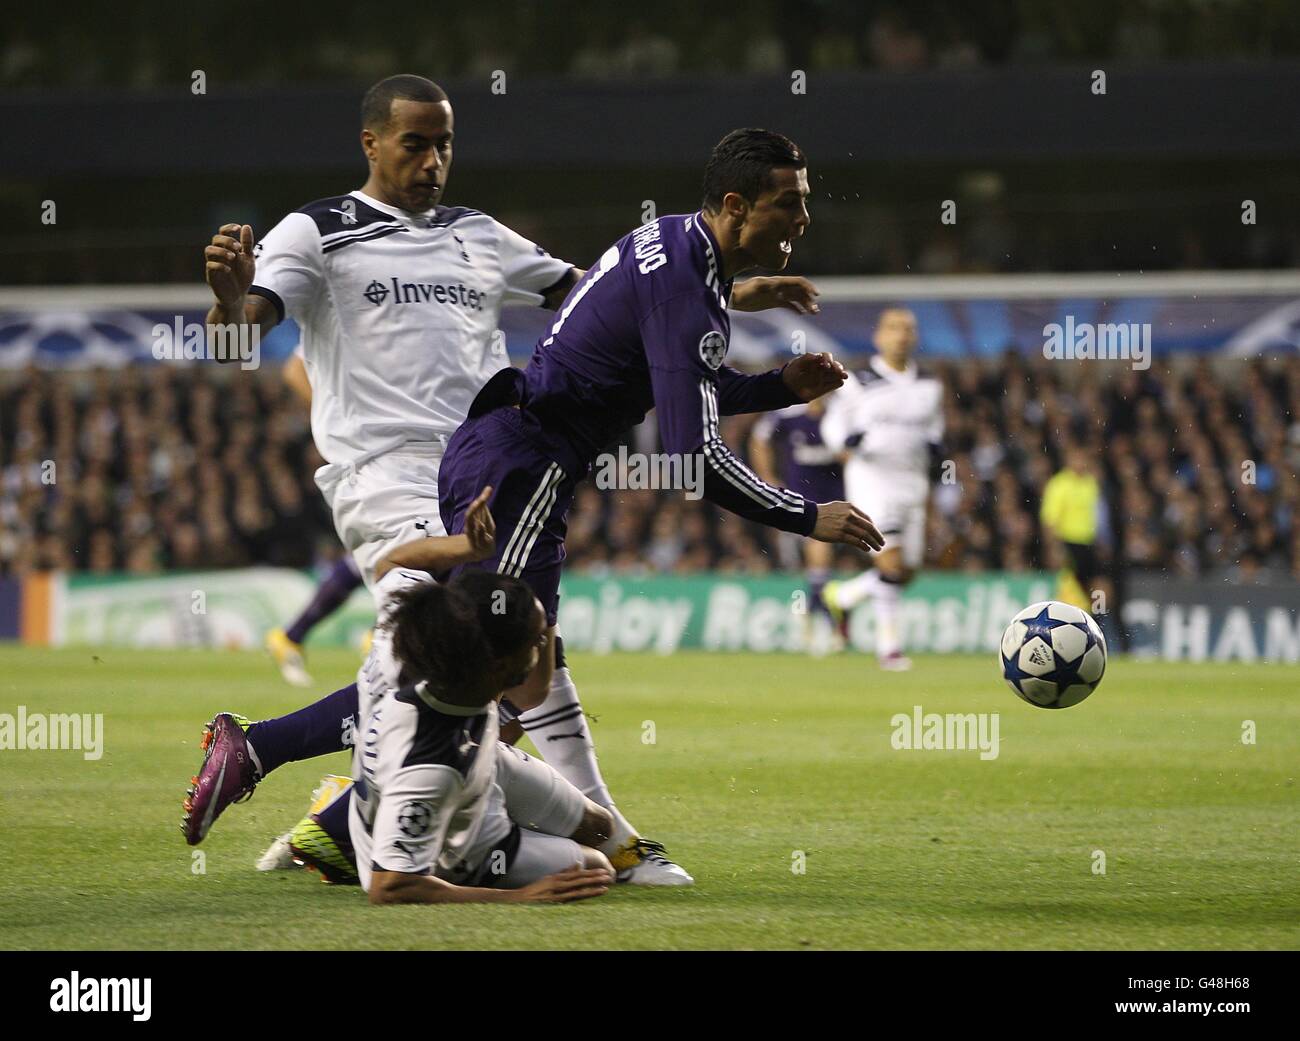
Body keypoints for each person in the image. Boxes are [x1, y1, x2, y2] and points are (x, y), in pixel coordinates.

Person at [198, 76, 822, 884]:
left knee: (495, 668)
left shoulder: (478, 233)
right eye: (415, 143)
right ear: (371, 144)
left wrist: (731, 288)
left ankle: (334, 821)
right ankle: (611, 844)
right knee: (475, 656)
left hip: (485, 467)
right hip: (384, 474)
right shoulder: (315, 231)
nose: (433, 160)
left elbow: (608, 299)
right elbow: (232, 343)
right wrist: (223, 306)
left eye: (445, 143)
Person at [435, 128, 883, 798]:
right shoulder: (688, 292)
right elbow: (692, 457)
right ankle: (590, 834)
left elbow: (680, 373)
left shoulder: (674, 240)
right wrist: (806, 514)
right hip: (520, 467)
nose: (804, 217)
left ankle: (364, 822)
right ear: (736, 205)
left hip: (515, 456)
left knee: (512, 672)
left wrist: (779, 385)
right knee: (494, 671)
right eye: (787, 203)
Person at [286, 568, 616, 904]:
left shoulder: (434, 644)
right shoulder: (430, 769)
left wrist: (464, 546)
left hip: (483, 766)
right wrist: (522, 897)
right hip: (461, 848)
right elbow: (390, 886)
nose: (544, 643)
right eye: (536, 641)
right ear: (499, 664)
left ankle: (376, 803)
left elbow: (391, 565)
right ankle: (368, 822)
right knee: (597, 865)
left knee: (603, 827)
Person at [820, 308, 944, 671]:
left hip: (913, 482)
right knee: (889, 561)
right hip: (872, 480)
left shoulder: (929, 384)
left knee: (907, 570)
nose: (901, 335)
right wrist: (845, 439)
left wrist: (936, 444)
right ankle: (889, 649)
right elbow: (832, 425)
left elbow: (934, 427)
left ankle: (842, 596)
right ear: (879, 336)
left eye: (908, 328)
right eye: (893, 328)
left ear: (915, 337)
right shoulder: (859, 381)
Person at [264, 349, 364, 687]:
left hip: (391, 450)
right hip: (369, 452)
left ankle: (292, 635)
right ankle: (390, 637)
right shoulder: (344, 310)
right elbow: (294, 370)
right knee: (399, 540)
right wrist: (335, 422)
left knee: (374, 549)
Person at [748, 396, 844, 652]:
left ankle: (813, 612)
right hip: (802, 501)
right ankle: (829, 621)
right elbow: (759, 437)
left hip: (843, 498)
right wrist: (767, 477)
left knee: (824, 562)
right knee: (819, 552)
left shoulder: (841, 413)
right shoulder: (789, 414)